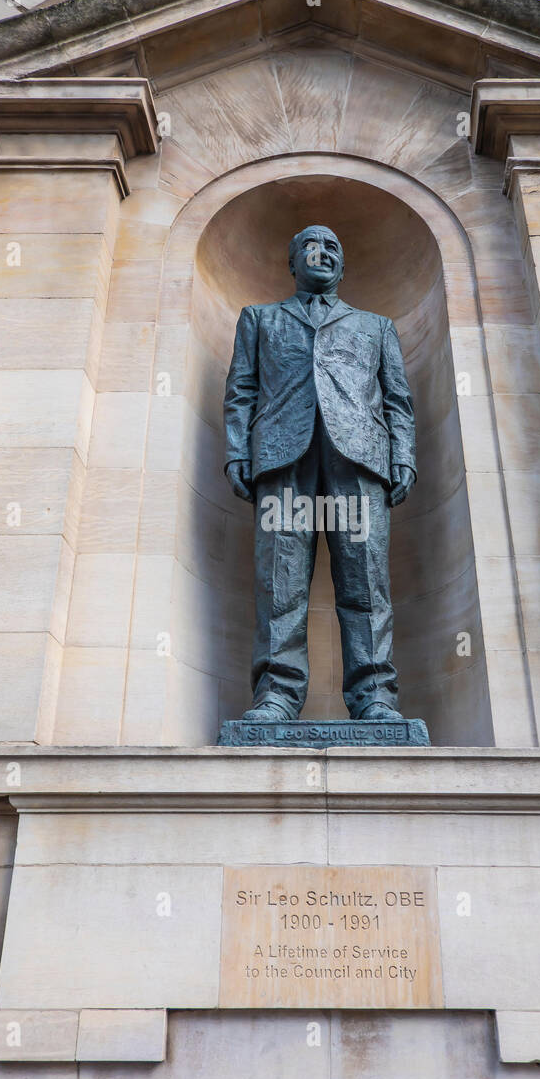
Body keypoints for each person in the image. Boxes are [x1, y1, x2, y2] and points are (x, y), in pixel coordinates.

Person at [223, 224, 417, 722]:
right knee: (279, 582)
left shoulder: (376, 326)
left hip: (359, 456)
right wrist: (236, 451)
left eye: (334, 245)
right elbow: (241, 391)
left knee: (366, 581)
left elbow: (398, 400)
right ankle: (276, 696)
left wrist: (403, 456)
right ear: (292, 261)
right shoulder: (259, 319)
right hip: (283, 456)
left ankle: (375, 696)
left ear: (343, 263)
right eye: (313, 244)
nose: (324, 252)